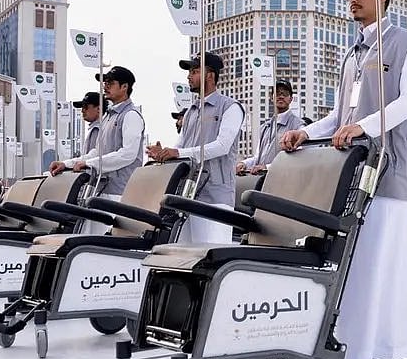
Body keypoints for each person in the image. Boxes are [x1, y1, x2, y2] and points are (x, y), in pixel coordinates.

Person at [281, 0, 407, 359]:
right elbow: (340, 116)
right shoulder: (353, 55)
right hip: (355, 178)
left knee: (389, 264)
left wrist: (365, 126)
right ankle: (359, 348)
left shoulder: (404, 43)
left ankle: (398, 352)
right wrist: (304, 132)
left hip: (390, 171)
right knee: (361, 264)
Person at [147, 53, 244, 245]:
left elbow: (222, 146)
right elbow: (180, 146)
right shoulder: (191, 111)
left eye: (195, 71)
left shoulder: (231, 107)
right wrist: (164, 153)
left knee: (213, 258)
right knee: (183, 257)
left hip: (216, 198)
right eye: (190, 72)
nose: (189, 76)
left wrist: (178, 153)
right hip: (188, 195)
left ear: (210, 75)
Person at [51, 66, 145, 235]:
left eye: (110, 82)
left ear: (124, 87)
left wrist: (90, 164)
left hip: (119, 192)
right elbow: (97, 152)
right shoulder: (109, 117)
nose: (105, 86)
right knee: (92, 240)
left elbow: (128, 155)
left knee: (107, 244)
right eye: (104, 82)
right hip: (101, 189)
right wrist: (66, 164)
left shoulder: (131, 115)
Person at [238, 80, 303, 175]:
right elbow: (258, 157)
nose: (281, 96)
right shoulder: (265, 127)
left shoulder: (298, 126)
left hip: (286, 180)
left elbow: (299, 158)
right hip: (263, 181)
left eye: (285, 93)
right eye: (277, 93)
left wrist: (267, 167)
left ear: (291, 99)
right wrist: (244, 163)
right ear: (271, 98)